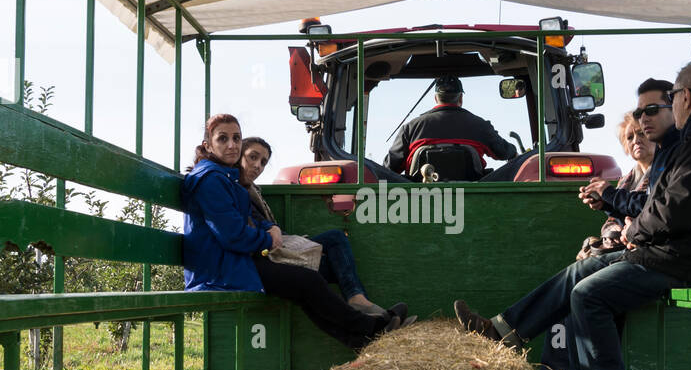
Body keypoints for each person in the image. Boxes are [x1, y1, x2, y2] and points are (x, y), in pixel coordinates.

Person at [454, 59, 691, 370]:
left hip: (690, 261)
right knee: (581, 272)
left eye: (669, 98)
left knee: (589, 294)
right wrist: (635, 229)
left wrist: (632, 232)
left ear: (686, 97)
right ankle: (506, 332)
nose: (645, 120)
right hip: (679, 252)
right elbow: (666, 206)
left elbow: (674, 209)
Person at [181, 114, 410, 349]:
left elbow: (244, 219)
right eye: (223, 139)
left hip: (231, 261)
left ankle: (360, 339)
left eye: (236, 138)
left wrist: (267, 229)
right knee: (308, 281)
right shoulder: (211, 180)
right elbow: (233, 235)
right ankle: (372, 328)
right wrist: (268, 240)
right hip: (219, 270)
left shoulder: (223, 177)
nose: (231, 145)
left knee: (307, 284)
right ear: (208, 145)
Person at [238, 135, 395, 318]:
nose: (258, 166)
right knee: (336, 261)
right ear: (239, 156)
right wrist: (273, 229)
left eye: (263, 162)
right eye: (252, 157)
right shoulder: (237, 188)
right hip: (266, 253)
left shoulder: (251, 188)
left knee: (336, 242)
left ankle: (359, 302)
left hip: (276, 243)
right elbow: (253, 221)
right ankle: (362, 307)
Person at [576, 79, 676, 260]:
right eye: (629, 137)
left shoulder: (667, 167)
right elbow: (623, 213)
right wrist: (604, 203)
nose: (636, 140)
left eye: (640, 133)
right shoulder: (625, 180)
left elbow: (650, 208)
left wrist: (609, 194)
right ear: (625, 147)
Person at [384, 76, 517, 177]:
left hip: (418, 198)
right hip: (471, 196)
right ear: (460, 98)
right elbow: (504, 152)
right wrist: (514, 151)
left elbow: (390, 168)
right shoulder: (481, 125)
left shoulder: (411, 128)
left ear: (436, 98)